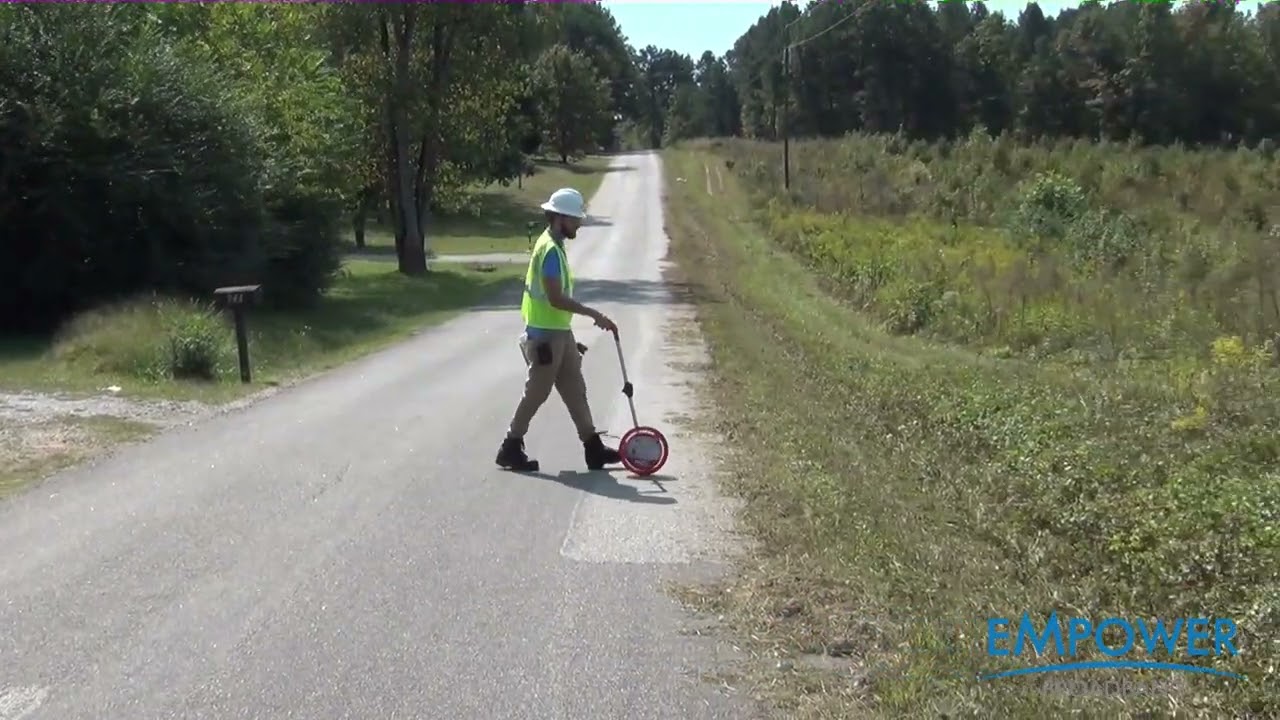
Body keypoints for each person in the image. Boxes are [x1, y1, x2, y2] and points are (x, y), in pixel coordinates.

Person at [495, 187, 623, 472]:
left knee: (575, 389)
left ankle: (593, 448)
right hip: (545, 336)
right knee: (536, 393)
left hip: (559, 334)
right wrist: (594, 314)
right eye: (575, 218)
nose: (579, 223)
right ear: (560, 218)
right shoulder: (550, 250)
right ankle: (510, 446)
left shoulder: (555, 245)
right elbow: (555, 298)